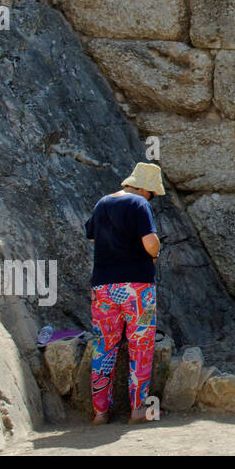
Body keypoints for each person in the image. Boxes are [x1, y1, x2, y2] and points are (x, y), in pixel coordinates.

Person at [85, 162, 164, 425]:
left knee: (104, 347)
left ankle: (100, 413)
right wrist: (155, 254)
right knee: (140, 346)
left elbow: (93, 236)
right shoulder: (139, 204)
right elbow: (150, 243)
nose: (151, 198)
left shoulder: (102, 203)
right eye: (151, 193)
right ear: (143, 188)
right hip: (136, 287)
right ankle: (138, 410)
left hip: (103, 287)